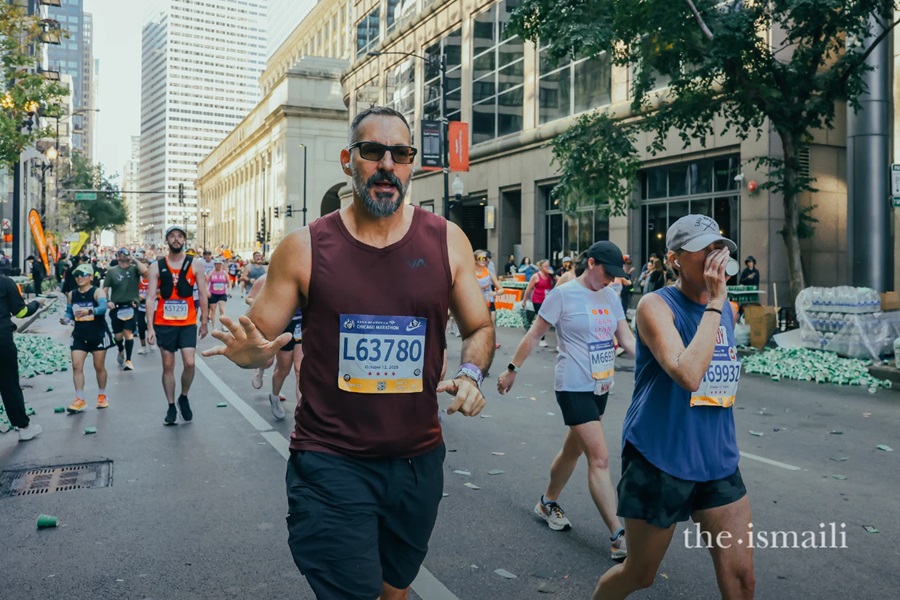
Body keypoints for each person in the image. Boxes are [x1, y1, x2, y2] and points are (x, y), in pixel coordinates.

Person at [203, 105, 493, 600]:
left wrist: (470, 372)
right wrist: (248, 353)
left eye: (399, 153)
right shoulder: (304, 248)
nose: (386, 164)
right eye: (372, 151)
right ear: (347, 159)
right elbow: (260, 342)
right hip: (331, 461)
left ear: (411, 164)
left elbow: (479, 326)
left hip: (416, 463)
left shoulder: (448, 241)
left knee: (394, 590)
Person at [592, 214, 753, 599]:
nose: (715, 257)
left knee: (742, 578)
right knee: (639, 574)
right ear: (676, 258)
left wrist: (718, 305)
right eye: (704, 249)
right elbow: (688, 374)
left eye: (719, 248)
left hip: (717, 461)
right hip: (659, 459)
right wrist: (715, 303)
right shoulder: (655, 306)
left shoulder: (725, 311)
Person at [498, 241, 635, 560]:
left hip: (601, 385)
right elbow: (534, 334)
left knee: (573, 450)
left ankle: (547, 503)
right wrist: (511, 369)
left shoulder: (611, 296)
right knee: (599, 458)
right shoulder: (563, 294)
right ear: (590, 263)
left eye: (616, 275)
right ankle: (618, 536)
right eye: (607, 273)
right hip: (573, 384)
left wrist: (657, 361)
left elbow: (625, 338)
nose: (611, 280)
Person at [145, 225, 209, 426]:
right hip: (164, 322)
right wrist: (150, 327)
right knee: (167, 365)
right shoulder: (157, 266)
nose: (176, 239)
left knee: (190, 363)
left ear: (184, 241)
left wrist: (205, 321)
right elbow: (149, 298)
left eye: (179, 236)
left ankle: (184, 396)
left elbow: (203, 293)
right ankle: (171, 406)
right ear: (167, 241)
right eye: (172, 236)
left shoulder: (195, 264)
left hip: (188, 322)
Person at [61, 264, 115, 413]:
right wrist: (65, 319)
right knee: (76, 366)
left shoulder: (97, 292)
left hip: (97, 334)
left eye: (83, 274)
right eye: (77, 275)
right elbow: (69, 313)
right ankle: (80, 399)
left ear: (90, 277)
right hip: (79, 335)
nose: (79, 277)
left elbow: (103, 308)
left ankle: (102, 395)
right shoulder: (72, 294)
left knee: (99, 367)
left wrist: (89, 311)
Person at [0, 273, 44, 440]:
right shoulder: (5, 283)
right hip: (2, 341)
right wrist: (36, 303)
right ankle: (24, 428)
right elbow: (21, 312)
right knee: (9, 384)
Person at [104, 247, 148, 371]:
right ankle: (120, 349)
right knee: (118, 336)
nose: (124, 255)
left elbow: (146, 273)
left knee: (128, 333)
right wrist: (107, 301)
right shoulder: (112, 271)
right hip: (116, 307)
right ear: (117, 257)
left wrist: (134, 259)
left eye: (126, 253)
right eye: (121, 253)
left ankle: (128, 360)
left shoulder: (134, 269)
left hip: (131, 305)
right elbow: (105, 289)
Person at [475, 249, 503, 349]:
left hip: (488, 301)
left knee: (491, 322)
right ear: (475, 259)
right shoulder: (470, 273)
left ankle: (491, 342)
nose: (484, 260)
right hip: (475, 302)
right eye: (481, 258)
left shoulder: (489, 273)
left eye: (485, 258)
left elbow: (501, 290)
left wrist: (494, 293)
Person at [524, 259, 554, 346]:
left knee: (547, 319)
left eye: (548, 266)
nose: (547, 268)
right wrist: (524, 300)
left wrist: (553, 274)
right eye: (545, 266)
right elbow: (529, 288)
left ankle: (534, 329)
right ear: (541, 267)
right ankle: (542, 339)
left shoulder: (550, 275)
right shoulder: (536, 276)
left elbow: (559, 281)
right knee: (542, 319)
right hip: (538, 299)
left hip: (548, 299)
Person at [207, 259, 230, 331]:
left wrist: (229, 291)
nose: (218, 265)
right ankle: (214, 326)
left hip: (222, 294)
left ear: (222, 265)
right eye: (217, 264)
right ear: (214, 265)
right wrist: (207, 292)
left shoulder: (224, 273)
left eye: (220, 264)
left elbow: (229, 282)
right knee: (213, 310)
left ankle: (223, 326)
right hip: (213, 294)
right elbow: (206, 283)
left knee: (222, 309)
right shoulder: (211, 273)